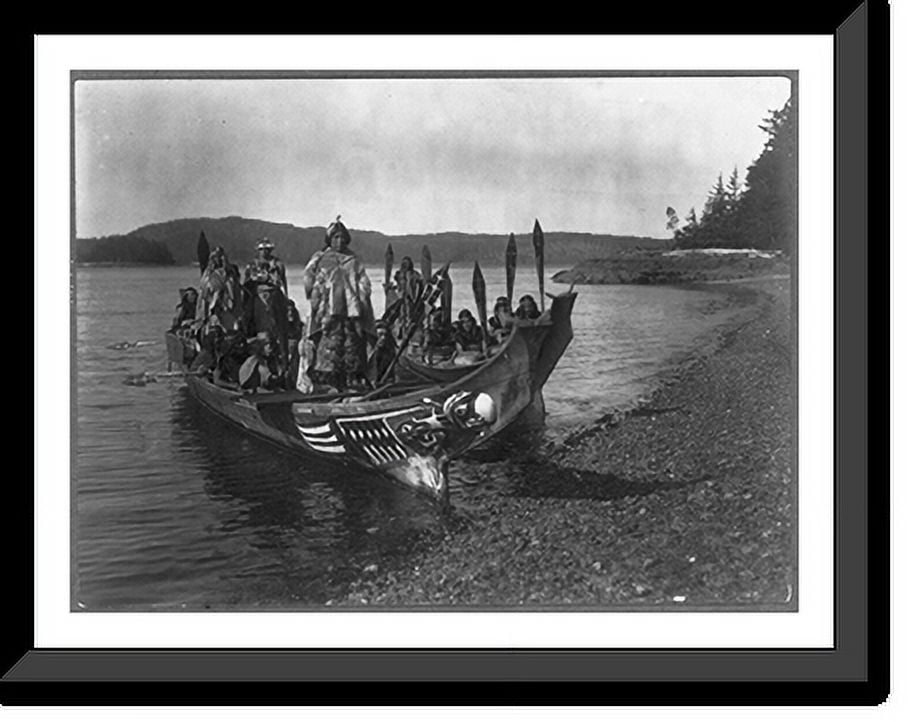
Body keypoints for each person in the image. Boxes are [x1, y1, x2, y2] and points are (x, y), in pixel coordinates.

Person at [301, 216, 376, 391]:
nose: (339, 241)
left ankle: (351, 382)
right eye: (335, 237)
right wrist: (317, 297)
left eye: (342, 237)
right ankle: (328, 385)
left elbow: (363, 281)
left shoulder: (353, 259)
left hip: (352, 313)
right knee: (328, 346)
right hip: (327, 312)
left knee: (352, 345)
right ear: (329, 239)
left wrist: (362, 297)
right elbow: (309, 278)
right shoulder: (321, 258)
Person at [242, 239, 288, 360]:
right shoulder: (252, 264)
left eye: (267, 249)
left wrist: (286, 298)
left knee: (277, 325)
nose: (264, 252)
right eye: (262, 250)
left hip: (275, 296)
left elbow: (283, 282)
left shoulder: (277, 263)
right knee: (260, 326)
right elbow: (246, 284)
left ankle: (279, 352)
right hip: (258, 297)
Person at [196, 246, 244, 334]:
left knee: (233, 329)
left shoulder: (230, 274)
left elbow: (236, 293)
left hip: (228, 308)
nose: (218, 259)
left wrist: (238, 311)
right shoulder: (208, 274)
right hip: (212, 308)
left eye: (220, 257)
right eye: (215, 257)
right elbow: (203, 294)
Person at [388, 256, 424, 340]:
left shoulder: (414, 274)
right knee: (401, 315)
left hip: (411, 297)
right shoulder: (399, 273)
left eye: (407, 263)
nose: (405, 265)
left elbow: (419, 284)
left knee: (409, 314)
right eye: (404, 263)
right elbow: (399, 284)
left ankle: (409, 331)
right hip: (401, 297)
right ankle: (400, 332)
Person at [285, 298, 304, 391]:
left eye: (292, 310)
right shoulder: (280, 326)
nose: (290, 313)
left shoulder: (299, 325)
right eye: (287, 310)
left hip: (296, 353)